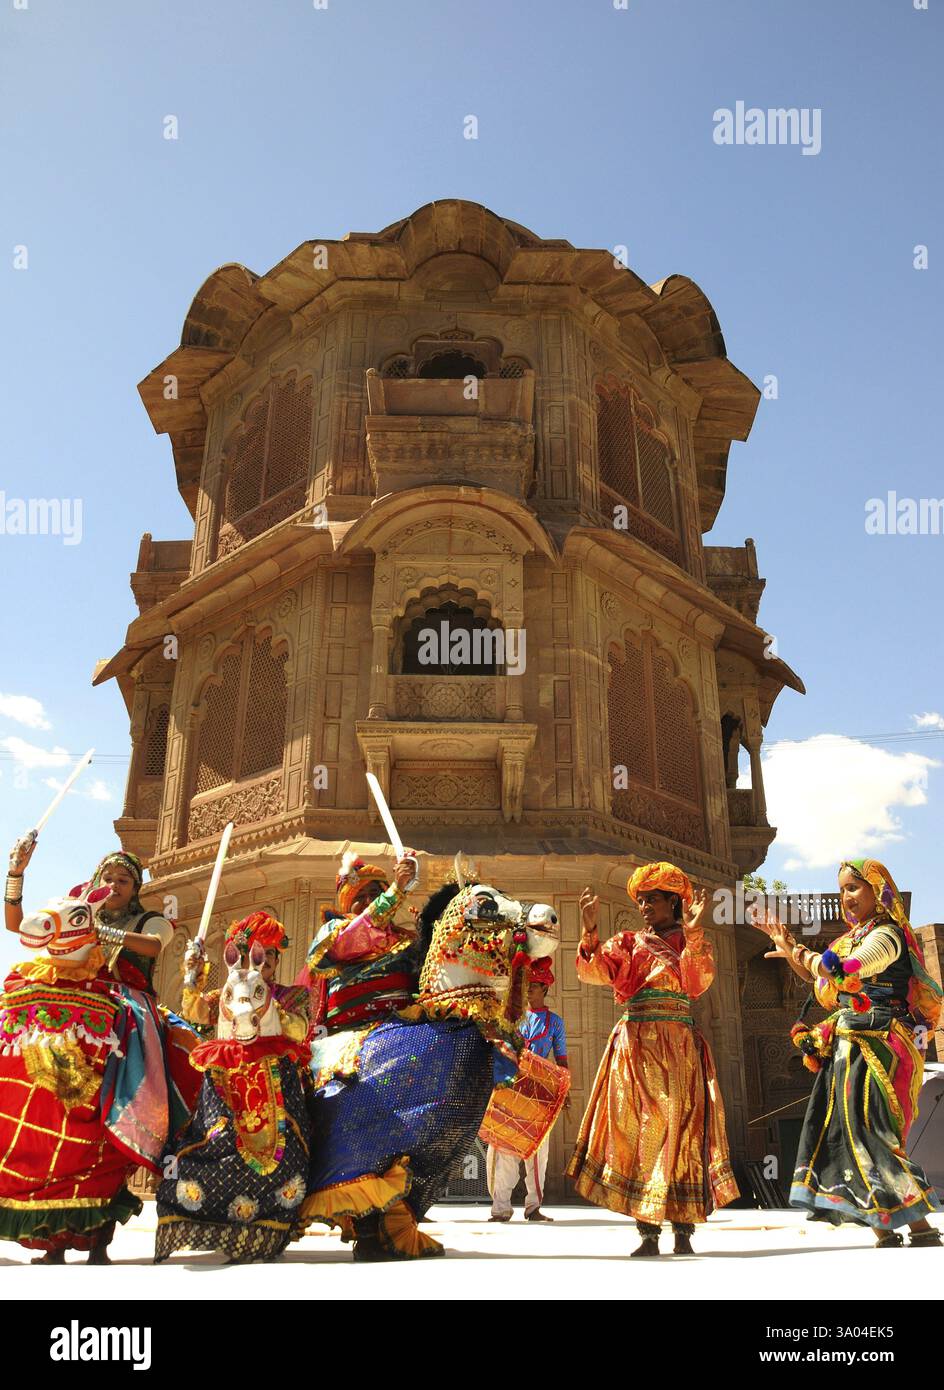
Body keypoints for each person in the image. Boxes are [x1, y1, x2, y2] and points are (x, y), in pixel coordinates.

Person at [0, 837, 194, 1263]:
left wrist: (96, 928)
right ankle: (51, 1237)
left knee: (182, 1060)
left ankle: (98, 1235)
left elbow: (153, 947)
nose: (114, 883)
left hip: (128, 1010)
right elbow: (19, 927)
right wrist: (16, 874)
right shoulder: (76, 910)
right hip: (76, 1003)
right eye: (108, 876)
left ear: (136, 887)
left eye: (124, 879)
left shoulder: (150, 920)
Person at [755, 857, 942, 1247]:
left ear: (878, 890)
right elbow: (826, 986)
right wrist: (790, 949)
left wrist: (802, 955)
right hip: (847, 1043)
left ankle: (920, 1225)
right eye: (841, 889)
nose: (846, 897)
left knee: (869, 1129)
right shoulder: (847, 938)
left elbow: (848, 970)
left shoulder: (888, 935)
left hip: (880, 1044)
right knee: (843, 1132)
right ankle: (884, 1227)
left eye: (853, 887)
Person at [566, 861, 738, 1256]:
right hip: (636, 1043)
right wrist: (589, 929)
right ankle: (647, 1232)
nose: (644, 906)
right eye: (641, 900)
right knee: (643, 1130)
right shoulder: (628, 942)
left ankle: (683, 1229)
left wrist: (694, 934)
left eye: (653, 900)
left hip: (678, 1044)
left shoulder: (691, 942)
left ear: (674, 903)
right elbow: (593, 972)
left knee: (684, 1130)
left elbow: (698, 983)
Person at [487, 958, 568, 1223]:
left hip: (540, 1093)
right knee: (505, 1148)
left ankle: (533, 1207)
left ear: (544, 989)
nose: (529, 991)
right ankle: (500, 1208)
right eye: (527, 986)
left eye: (534, 986)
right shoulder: (514, 1018)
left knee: (537, 1153)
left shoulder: (555, 1023)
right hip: (512, 1087)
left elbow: (562, 1061)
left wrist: (563, 1094)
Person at [182, 913, 309, 1042]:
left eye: (269, 953)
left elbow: (299, 1030)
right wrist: (193, 979)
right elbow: (194, 1012)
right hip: (233, 1060)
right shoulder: (226, 997)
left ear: (276, 961)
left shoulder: (292, 995)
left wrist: (267, 1003)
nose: (263, 959)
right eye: (257, 953)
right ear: (243, 958)